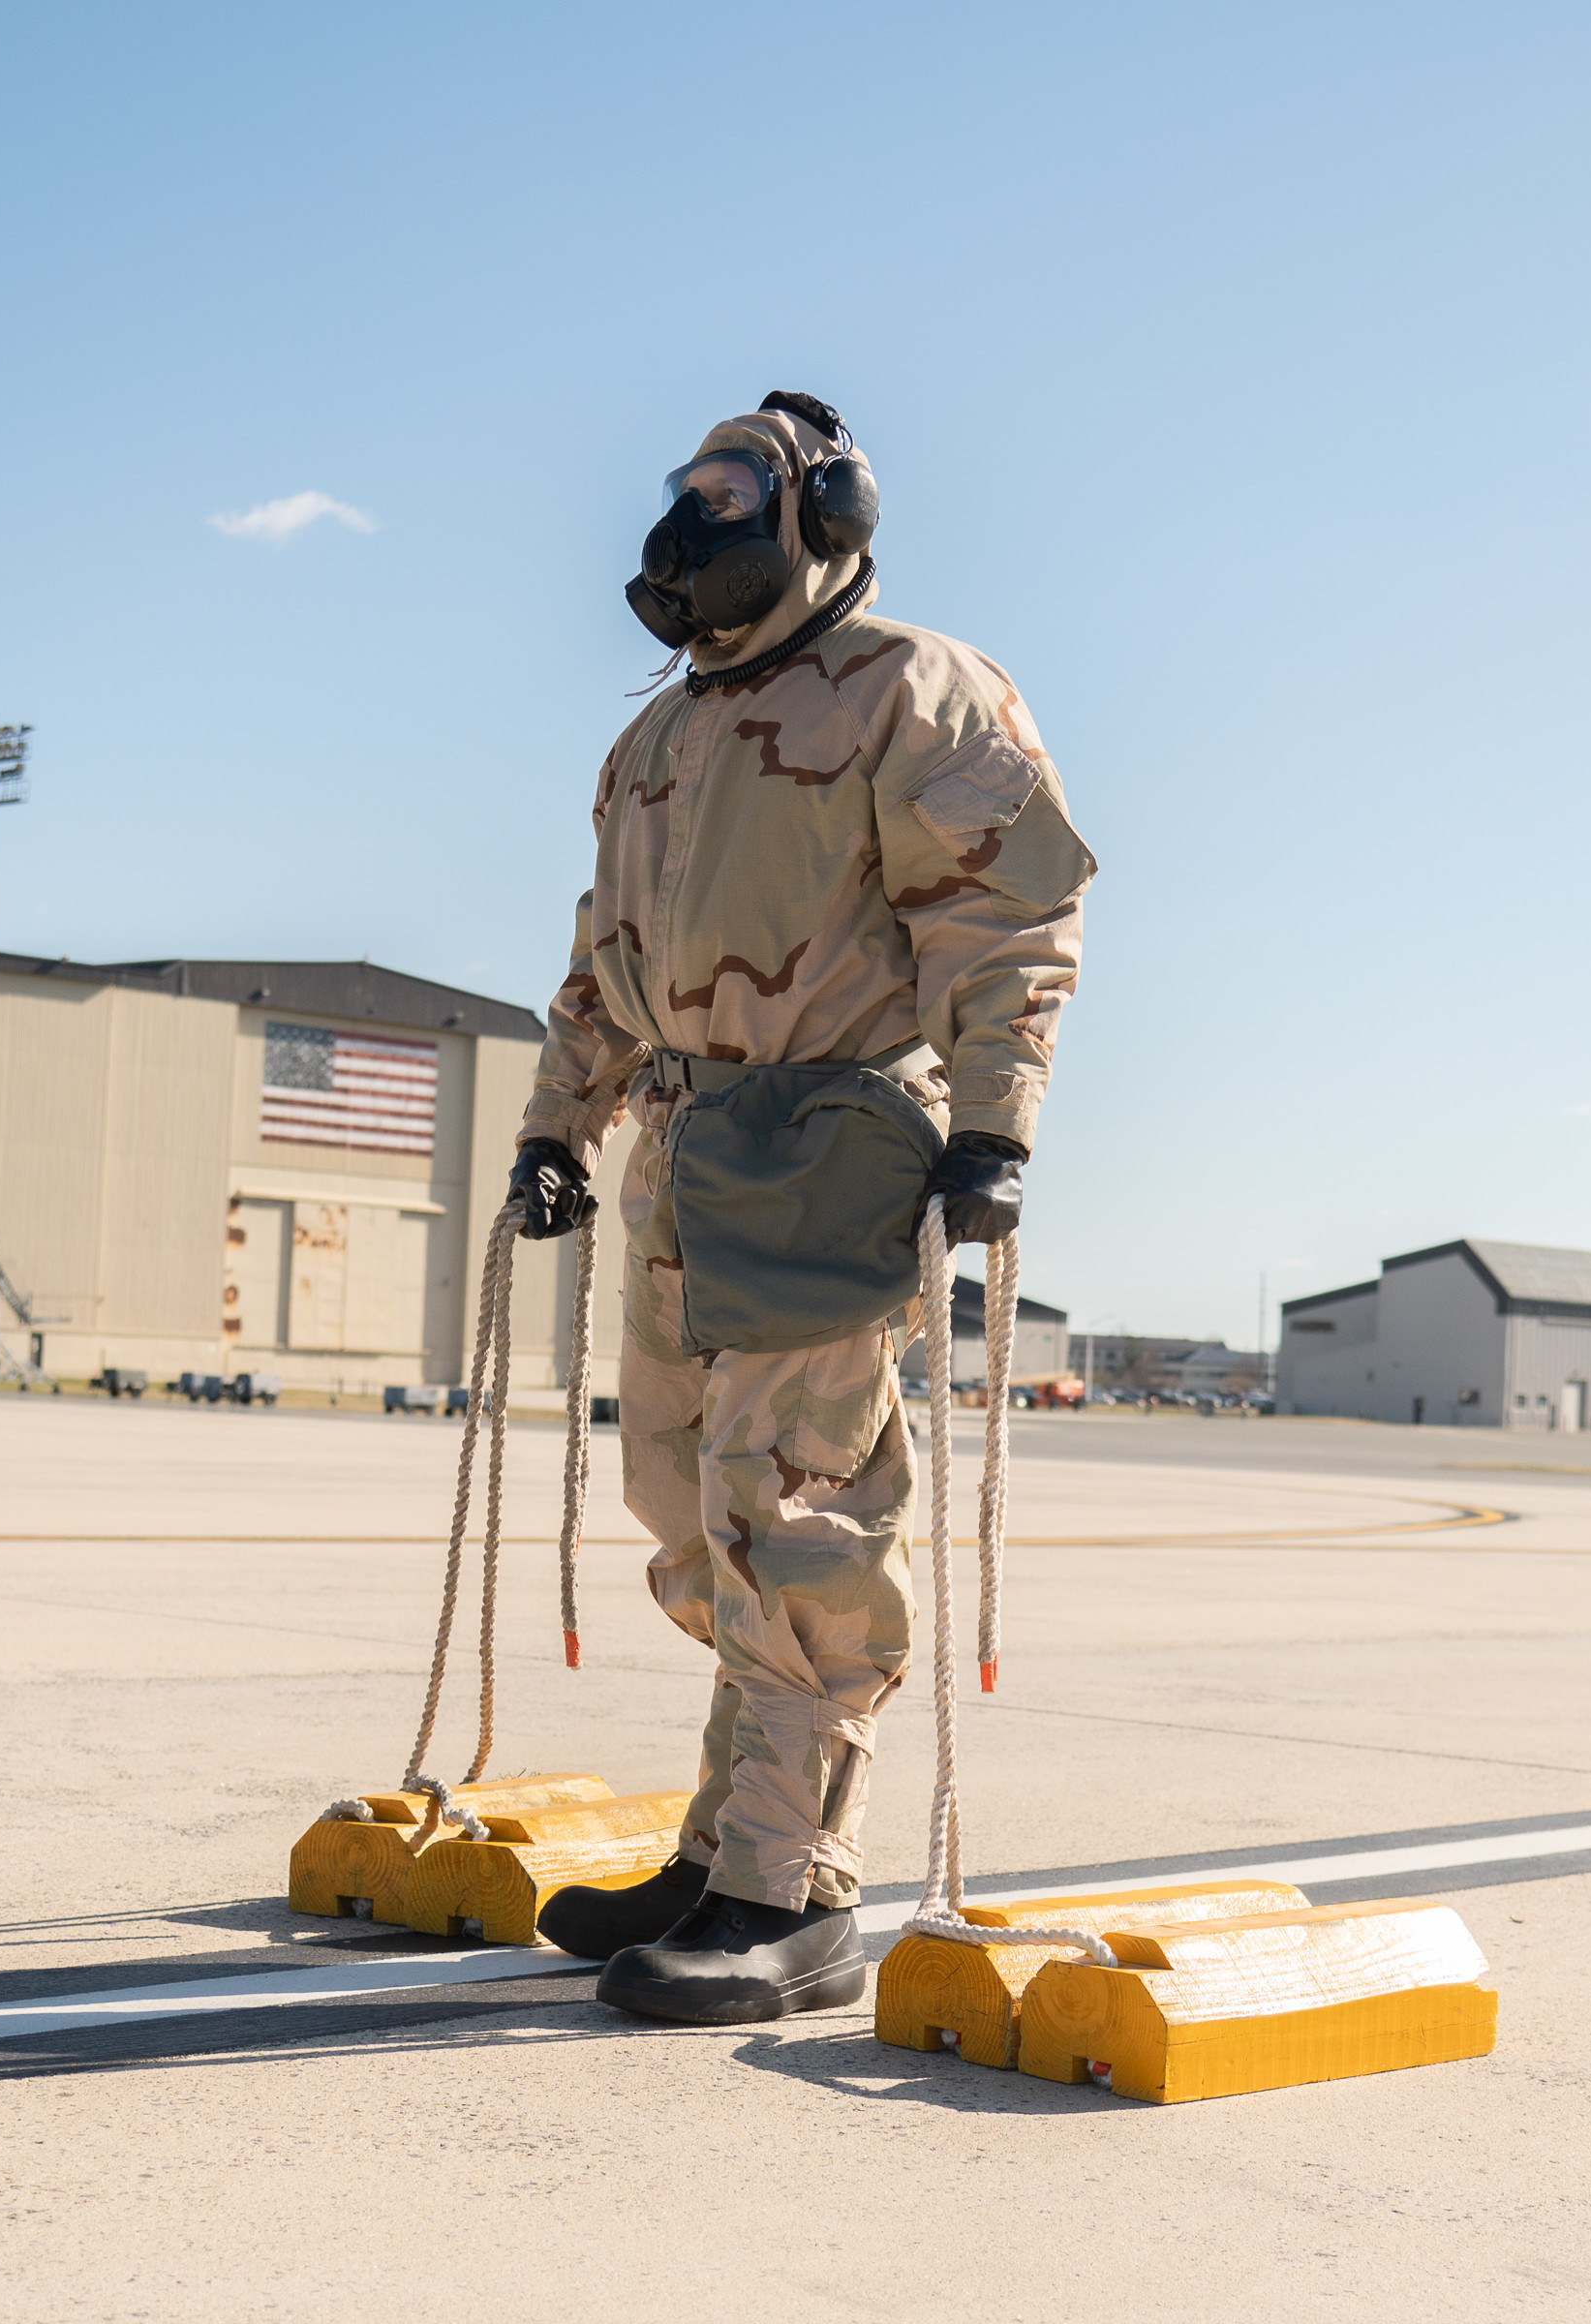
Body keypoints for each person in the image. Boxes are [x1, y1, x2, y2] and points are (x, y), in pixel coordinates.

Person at [505, 392, 1094, 2024]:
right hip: (681, 1153)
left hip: (828, 1129)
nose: (692, 520)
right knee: (694, 1516)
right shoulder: (656, 740)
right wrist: (559, 1126)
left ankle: (794, 1899)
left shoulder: (919, 691)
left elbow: (1008, 919)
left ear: (823, 515)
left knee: (800, 1517)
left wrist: (992, 1132)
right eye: (682, 490)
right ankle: (721, 1851)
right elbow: (600, 959)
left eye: (730, 491)